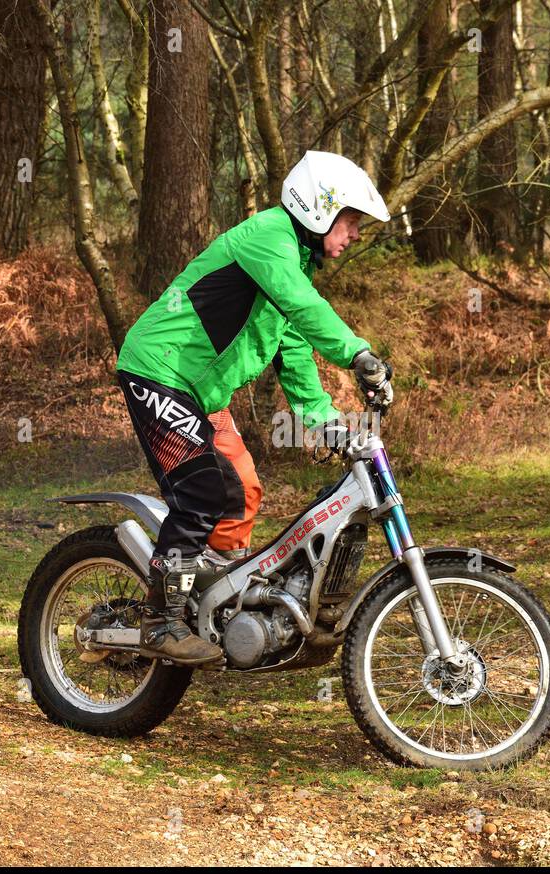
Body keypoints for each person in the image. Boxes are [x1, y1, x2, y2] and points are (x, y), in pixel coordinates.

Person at [115, 151, 394, 665]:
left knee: (241, 490)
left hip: (201, 395)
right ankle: (161, 620)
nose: (355, 234)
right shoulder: (268, 237)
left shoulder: (293, 263)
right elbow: (307, 307)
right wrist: (357, 353)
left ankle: (215, 601)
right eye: (352, 221)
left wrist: (325, 422)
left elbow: (295, 350)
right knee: (201, 491)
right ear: (319, 209)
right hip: (158, 371)